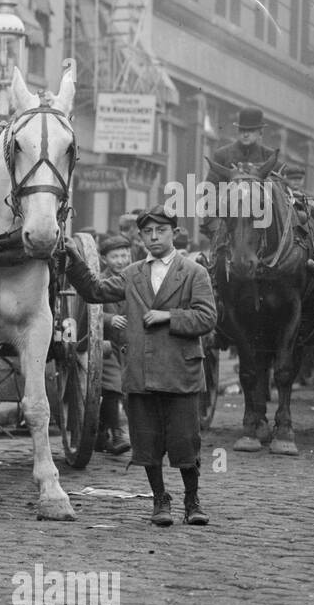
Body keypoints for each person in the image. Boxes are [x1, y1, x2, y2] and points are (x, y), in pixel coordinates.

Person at [64, 206, 218, 526]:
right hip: (141, 371)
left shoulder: (193, 272)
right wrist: (73, 261)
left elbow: (207, 317)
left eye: (160, 231)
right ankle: (160, 501)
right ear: (140, 237)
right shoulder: (133, 273)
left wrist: (169, 317)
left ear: (173, 234)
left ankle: (192, 500)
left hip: (180, 371)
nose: (153, 237)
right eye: (147, 232)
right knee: (146, 442)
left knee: (185, 440)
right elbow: (95, 291)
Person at [95, 234, 132, 455]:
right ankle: (117, 431)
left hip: (128, 343)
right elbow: (88, 312)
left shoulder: (136, 278)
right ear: (105, 259)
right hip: (104, 343)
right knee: (114, 385)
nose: (120, 260)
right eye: (115, 256)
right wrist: (109, 319)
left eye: (124, 255)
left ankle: (99, 432)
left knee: (128, 387)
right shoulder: (99, 281)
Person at [213, 107, 279, 171]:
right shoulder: (222, 155)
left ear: (260, 132)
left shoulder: (269, 157)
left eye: (251, 130)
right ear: (238, 131)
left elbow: (285, 178)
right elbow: (211, 181)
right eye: (242, 130)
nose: (245, 135)